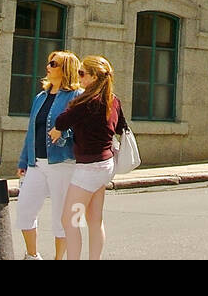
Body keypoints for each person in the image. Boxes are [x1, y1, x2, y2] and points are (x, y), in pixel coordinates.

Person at [49, 55, 129, 260]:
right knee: (94, 220)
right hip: (105, 166)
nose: (79, 77)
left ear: (94, 77)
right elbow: (120, 127)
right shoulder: (114, 100)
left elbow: (62, 120)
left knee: (70, 221)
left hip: (89, 170)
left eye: (82, 73)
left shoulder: (88, 102)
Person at [15, 50, 82, 260]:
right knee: (24, 210)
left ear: (66, 69)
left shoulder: (76, 96)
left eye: (54, 64)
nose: (48, 66)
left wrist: (64, 131)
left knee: (60, 216)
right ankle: (32, 255)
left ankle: (58, 258)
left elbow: (84, 128)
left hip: (62, 162)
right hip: (37, 163)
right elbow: (31, 132)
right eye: (49, 63)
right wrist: (24, 160)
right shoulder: (40, 97)